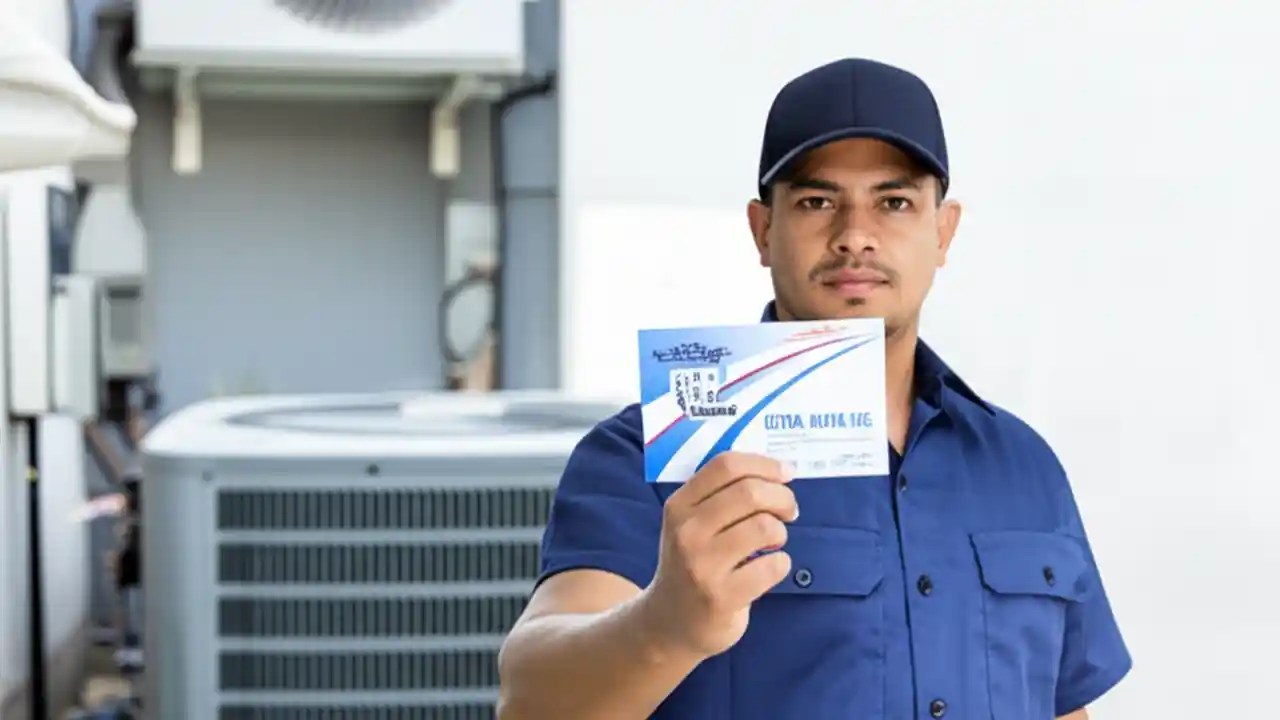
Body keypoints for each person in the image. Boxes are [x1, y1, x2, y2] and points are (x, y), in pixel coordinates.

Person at [496, 57, 1131, 719]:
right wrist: (665, 623)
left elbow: (1062, 706)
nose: (854, 236)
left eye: (894, 202)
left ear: (943, 232)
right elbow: (529, 700)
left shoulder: (1023, 466)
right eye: (817, 201)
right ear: (763, 230)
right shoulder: (651, 453)